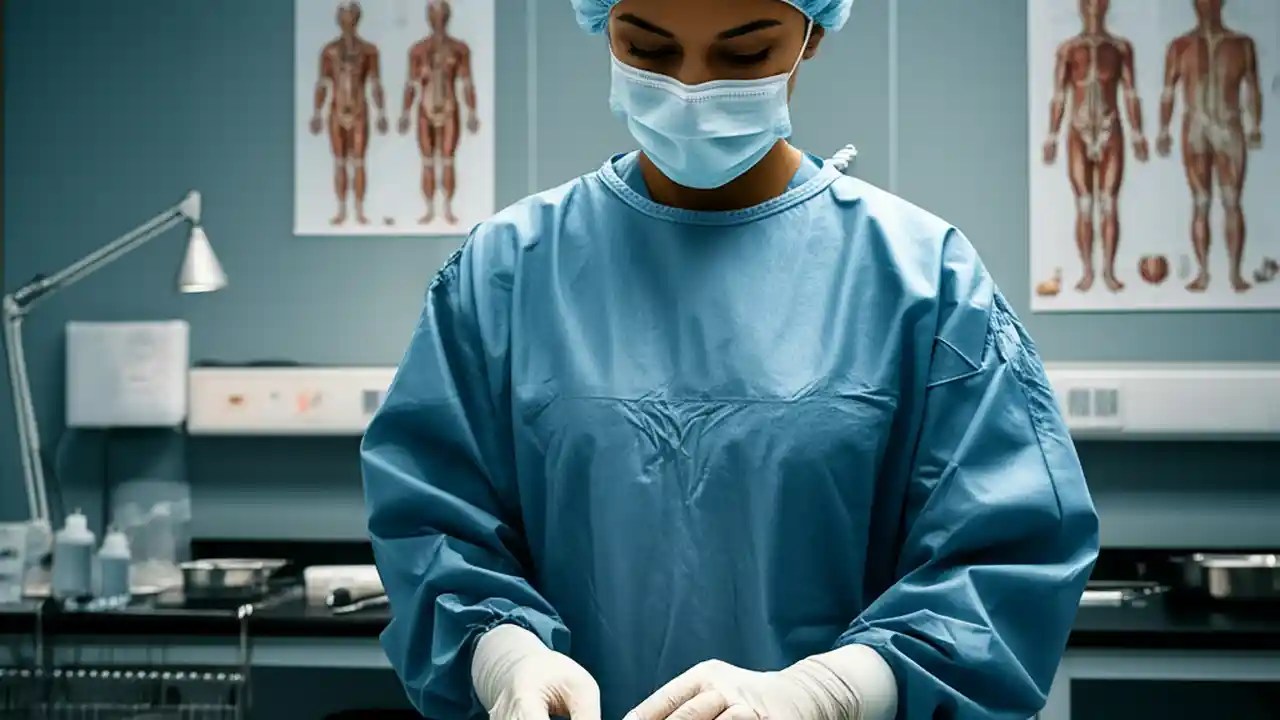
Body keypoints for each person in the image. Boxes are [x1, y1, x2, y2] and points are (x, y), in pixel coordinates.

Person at [361, 1, 1099, 719]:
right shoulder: (508, 273)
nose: (690, 91)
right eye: (649, 50)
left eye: (744, 55)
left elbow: (1001, 564)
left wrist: (834, 694)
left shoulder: (922, 281)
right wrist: (506, 657)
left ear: (811, 36)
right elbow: (434, 524)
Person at [1157, 0, 1263, 293]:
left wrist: (1255, 126)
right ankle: (1203, 271)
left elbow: (1252, 86)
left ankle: (1235, 273)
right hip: (1195, 127)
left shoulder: (1241, 44)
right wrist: (1163, 130)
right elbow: (1168, 91)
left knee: (1231, 200)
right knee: (1201, 202)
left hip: (1229, 125)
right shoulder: (1181, 45)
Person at [1043, 0, 1148, 294]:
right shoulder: (1068, 49)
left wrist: (1138, 134)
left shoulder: (1119, 48)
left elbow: (1130, 93)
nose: (1093, 6)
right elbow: (1059, 96)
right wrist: (1051, 136)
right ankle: (1088, 271)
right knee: (1085, 205)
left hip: (1110, 125)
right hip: (1077, 128)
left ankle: (1109, 272)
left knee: (1109, 203)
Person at [399, 0, 481, 226]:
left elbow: (467, 83)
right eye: (434, 14)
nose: (438, 19)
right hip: (425, 107)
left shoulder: (459, 49)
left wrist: (472, 111)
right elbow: (412, 84)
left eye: (441, 13)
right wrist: (405, 113)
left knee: (447, 160)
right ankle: (429, 209)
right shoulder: (418, 50)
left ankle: (447, 209)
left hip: (449, 106)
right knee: (427, 161)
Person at [309, 1, 389, 226]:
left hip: (359, 109)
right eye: (344, 17)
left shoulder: (368, 51)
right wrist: (316, 112)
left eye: (351, 17)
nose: (348, 22)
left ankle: (360, 210)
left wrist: (381, 111)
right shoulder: (329, 52)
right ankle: (343, 210)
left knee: (359, 161)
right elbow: (323, 84)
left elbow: (375, 84)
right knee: (340, 162)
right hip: (336, 109)